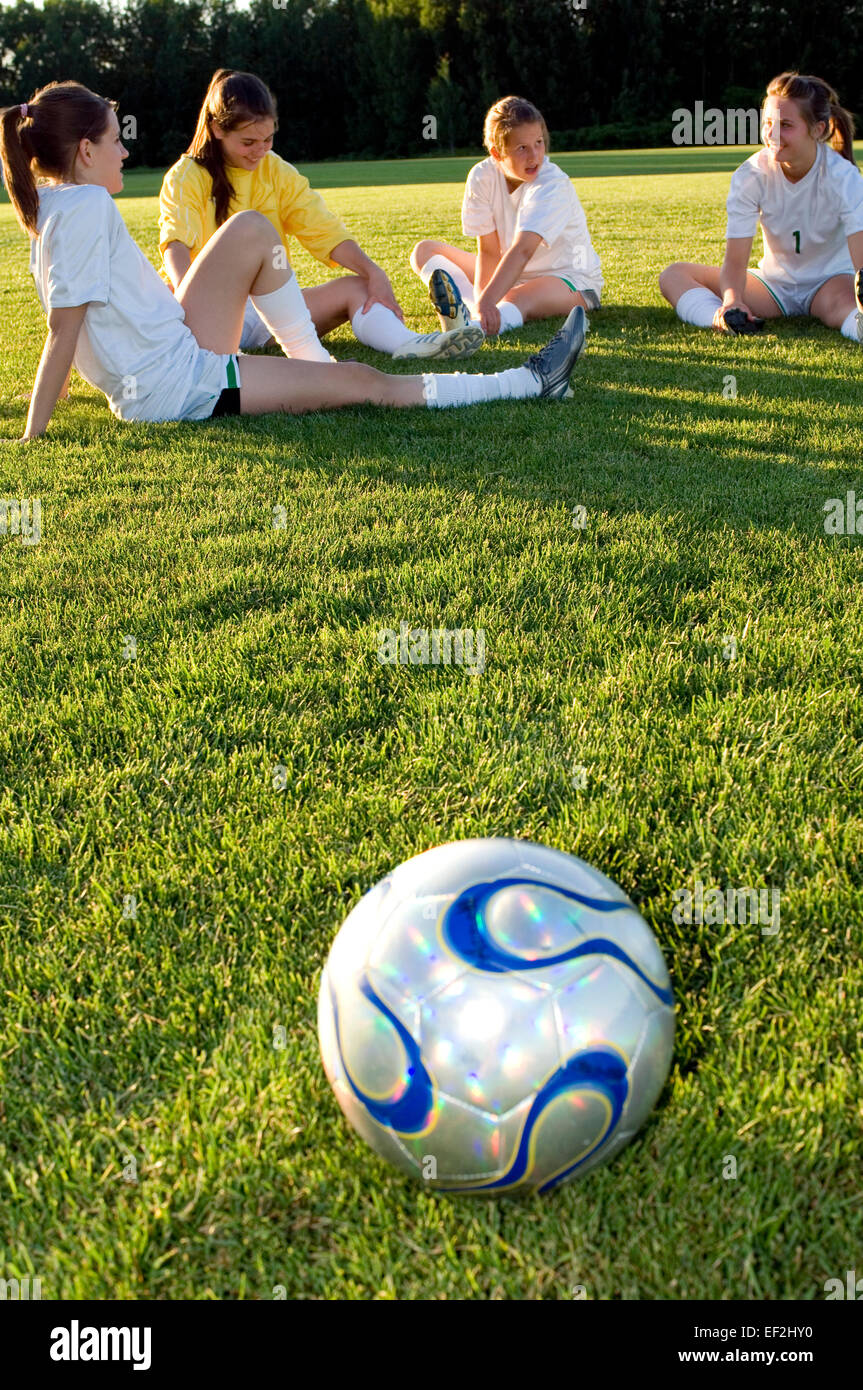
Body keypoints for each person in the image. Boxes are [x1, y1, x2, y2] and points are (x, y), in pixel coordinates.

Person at [0, 82, 588, 442]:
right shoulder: (84, 208)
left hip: (175, 347)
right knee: (365, 383)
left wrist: (102, 380)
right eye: (113, 140)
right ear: (84, 151)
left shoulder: (56, 205)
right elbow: (65, 328)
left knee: (253, 228)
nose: (124, 149)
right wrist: (35, 432)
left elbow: (80, 324)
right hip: (177, 381)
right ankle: (529, 381)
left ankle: (312, 361)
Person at [159, 69, 482, 363]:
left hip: (265, 313)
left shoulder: (275, 169)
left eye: (268, 139)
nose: (260, 150)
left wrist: (374, 273)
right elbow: (176, 247)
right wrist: (198, 316)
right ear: (217, 129)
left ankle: (414, 345)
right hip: (202, 314)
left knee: (358, 287)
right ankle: (252, 356)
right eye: (248, 142)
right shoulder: (186, 175)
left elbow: (321, 229)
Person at [659, 72, 863, 342]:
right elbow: (734, 261)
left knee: (846, 306)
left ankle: (857, 325)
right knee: (673, 275)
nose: (772, 134)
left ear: (819, 129)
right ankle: (726, 320)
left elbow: (860, 266)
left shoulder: (844, 177)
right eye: (768, 123)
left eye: (786, 125)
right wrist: (733, 300)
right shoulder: (751, 175)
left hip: (830, 285)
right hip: (774, 286)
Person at [409, 95, 602, 341]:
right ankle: (469, 313)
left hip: (569, 279)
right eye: (522, 148)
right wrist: (483, 300)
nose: (535, 156)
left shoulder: (552, 183)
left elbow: (522, 250)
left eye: (539, 142)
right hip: (511, 273)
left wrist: (490, 299)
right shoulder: (482, 176)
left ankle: (472, 331)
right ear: (497, 153)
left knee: (516, 298)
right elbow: (489, 251)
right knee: (425, 252)